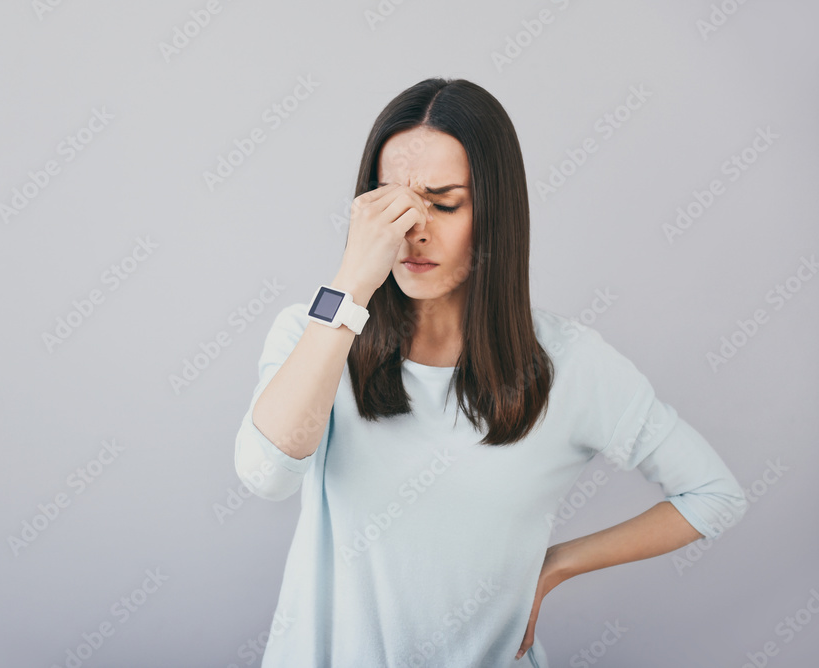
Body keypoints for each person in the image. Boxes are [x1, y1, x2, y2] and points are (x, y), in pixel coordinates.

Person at [233, 77, 747, 668]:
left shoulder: (568, 364)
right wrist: (349, 286)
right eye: (388, 205)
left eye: (443, 202)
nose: (412, 231)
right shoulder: (314, 333)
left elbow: (713, 495)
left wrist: (555, 566)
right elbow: (264, 474)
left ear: (495, 211)